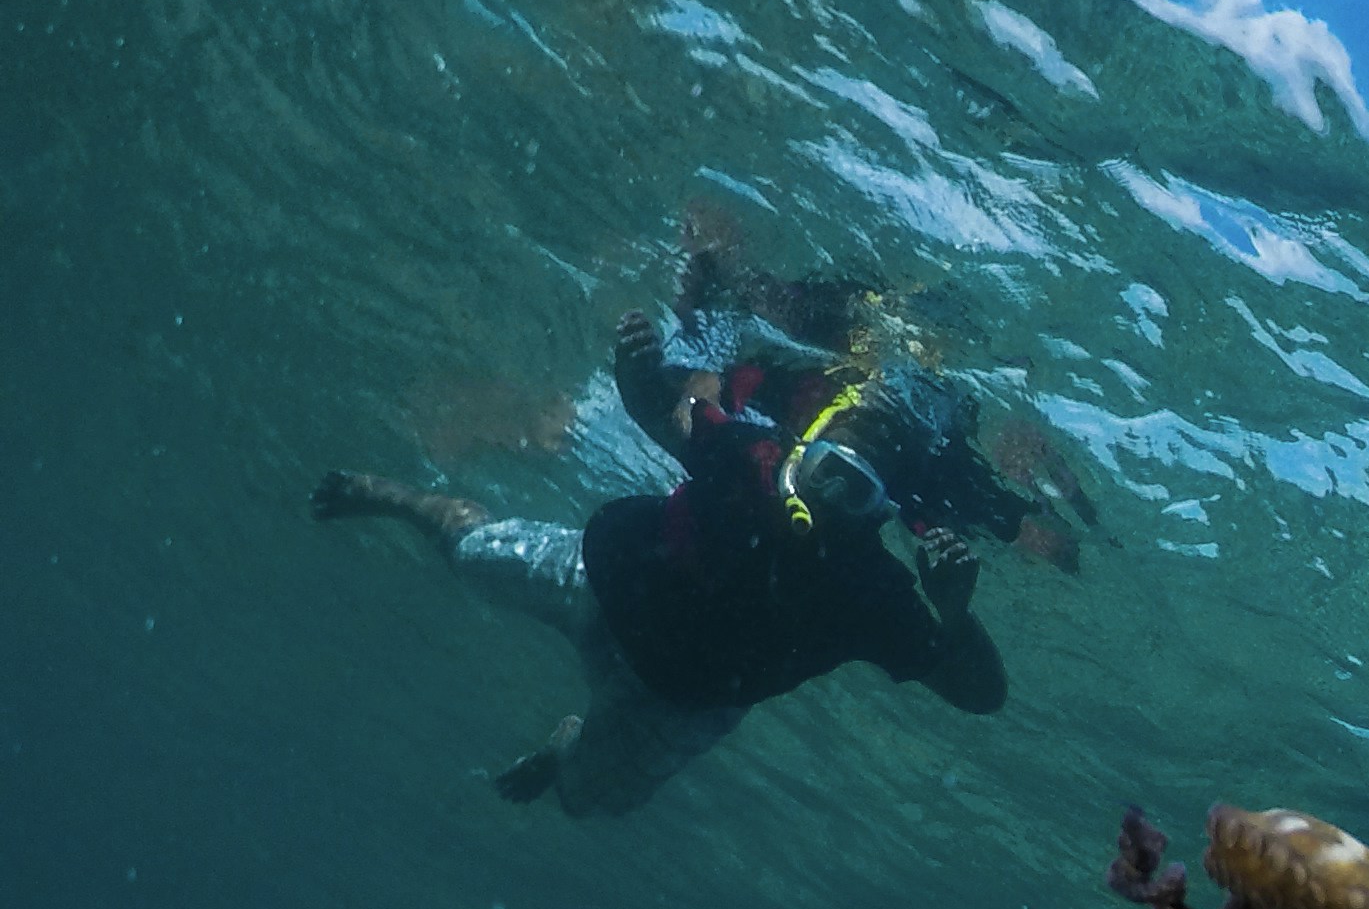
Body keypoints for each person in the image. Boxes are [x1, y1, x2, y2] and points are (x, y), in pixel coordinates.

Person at [313, 252, 1042, 816]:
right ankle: (401, 499)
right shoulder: (748, 454)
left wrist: (954, 611)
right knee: (471, 550)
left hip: (676, 701)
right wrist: (636, 371)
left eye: (856, 487)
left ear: (885, 509)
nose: (826, 491)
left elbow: (982, 695)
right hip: (598, 583)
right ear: (802, 446)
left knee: (585, 801)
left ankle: (574, 738)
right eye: (826, 463)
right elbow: (655, 414)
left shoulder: (874, 594)